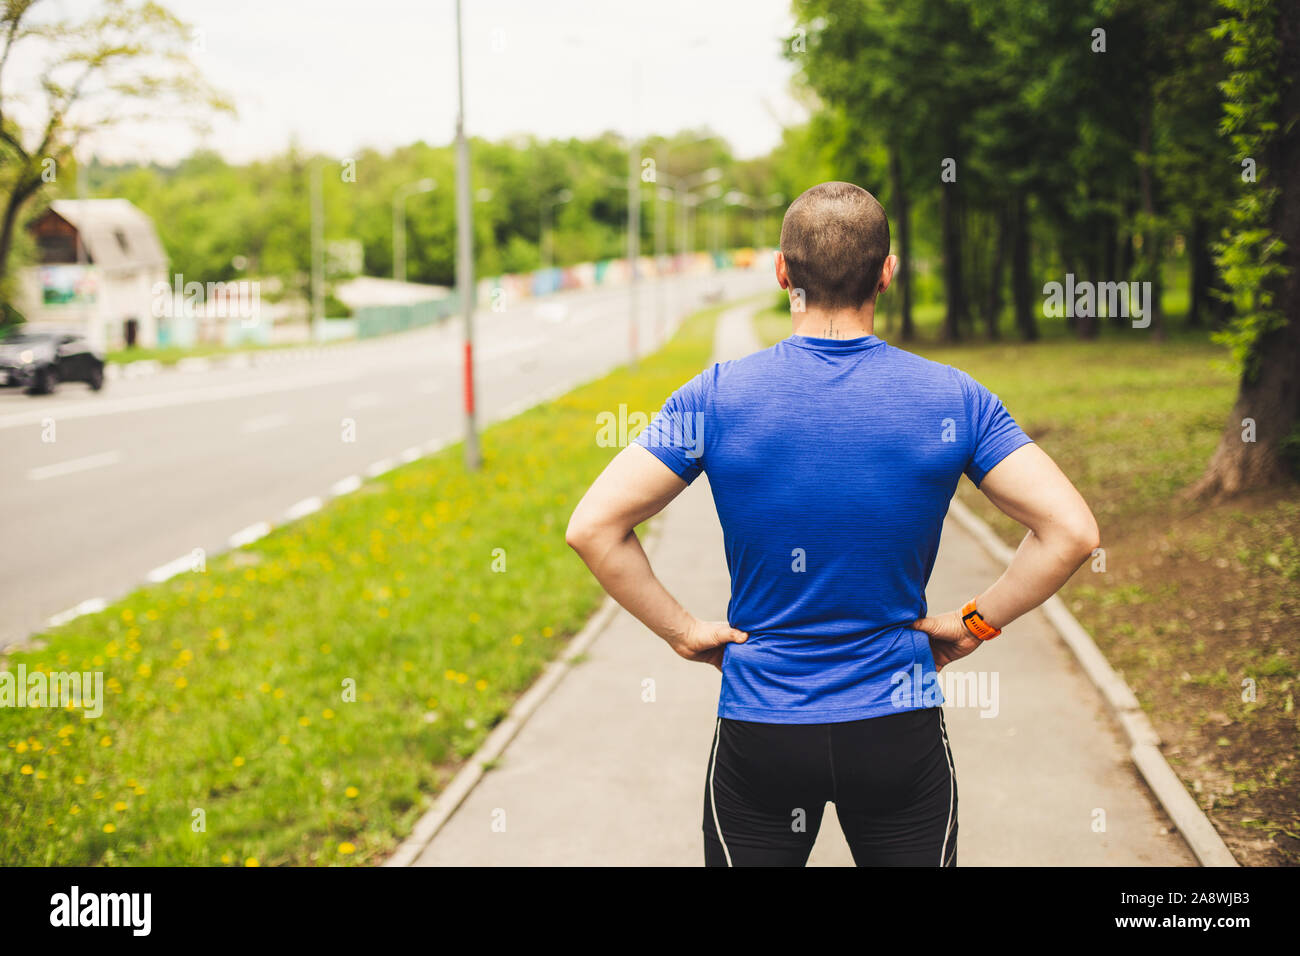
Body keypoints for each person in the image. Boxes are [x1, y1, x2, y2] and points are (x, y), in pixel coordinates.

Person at [565, 181, 1099, 867]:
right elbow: (1073, 532)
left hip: (762, 729)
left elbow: (593, 527)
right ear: (888, 272)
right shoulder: (955, 398)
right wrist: (972, 624)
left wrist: (684, 632)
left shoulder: (716, 395)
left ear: (783, 273)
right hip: (896, 729)